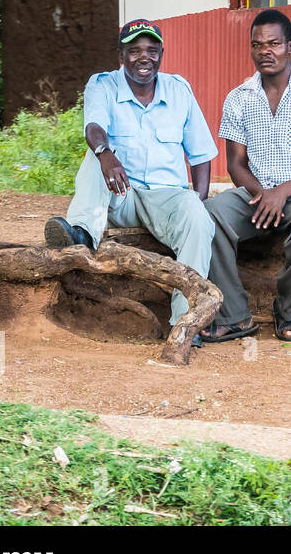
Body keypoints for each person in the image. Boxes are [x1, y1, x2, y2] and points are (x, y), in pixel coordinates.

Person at [44, 19, 217, 326]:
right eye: (134, 50)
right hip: (119, 196)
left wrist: (197, 203)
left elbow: (201, 154)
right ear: (120, 56)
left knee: (198, 217)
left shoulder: (179, 91)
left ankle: (186, 322)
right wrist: (105, 153)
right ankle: (80, 233)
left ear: (161, 53)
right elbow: (94, 127)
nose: (143, 57)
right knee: (95, 156)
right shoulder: (102, 85)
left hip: (167, 198)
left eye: (151, 50)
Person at [199, 9, 291, 343]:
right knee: (208, 215)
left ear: (290, 46)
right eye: (257, 45)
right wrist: (264, 194)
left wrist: (281, 193)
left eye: (274, 43)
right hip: (255, 195)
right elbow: (236, 164)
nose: (266, 51)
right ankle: (235, 316)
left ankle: (288, 311)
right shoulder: (239, 98)